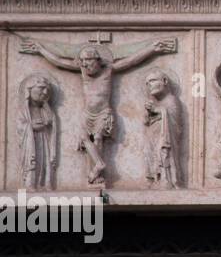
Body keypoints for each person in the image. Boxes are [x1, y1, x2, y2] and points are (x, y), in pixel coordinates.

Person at [19, 35, 176, 184]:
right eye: (84, 62)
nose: (86, 65)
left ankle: (98, 175)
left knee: (98, 138)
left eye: (89, 61)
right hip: (88, 114)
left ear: (98, 61)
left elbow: (131, 61)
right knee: (84, 139)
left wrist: (152, 49)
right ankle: (99, 164)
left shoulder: (108, 69)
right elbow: (59, 61)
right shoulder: (82, 70)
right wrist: (41, 50)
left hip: (103, 113)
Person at [143, 71, 182, 188]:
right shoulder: (156, 103)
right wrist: (148, 112)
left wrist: (158, 110)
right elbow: (146, 122)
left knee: (164, 153)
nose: (149, 85)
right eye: (147, 83)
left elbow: (175, 122)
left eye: (153, 80)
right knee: (148, 154)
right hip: (152, 138)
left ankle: (167, 179)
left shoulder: (172, 100)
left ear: (165, 81)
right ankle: (154, 179)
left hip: (165, 137)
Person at [18, 75, 56, 189]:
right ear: (30, 90)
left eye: (47, 90)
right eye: (41, 88)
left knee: (44, 163)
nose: (44, 92)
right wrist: (31, 127)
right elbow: (20, 126)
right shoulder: (24, 110)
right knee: (33, 163)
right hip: (30, 142)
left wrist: (46, 106)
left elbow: (51, 122)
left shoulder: (44, 109)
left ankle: (44, 183)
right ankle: (30, 184)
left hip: (44, 140)